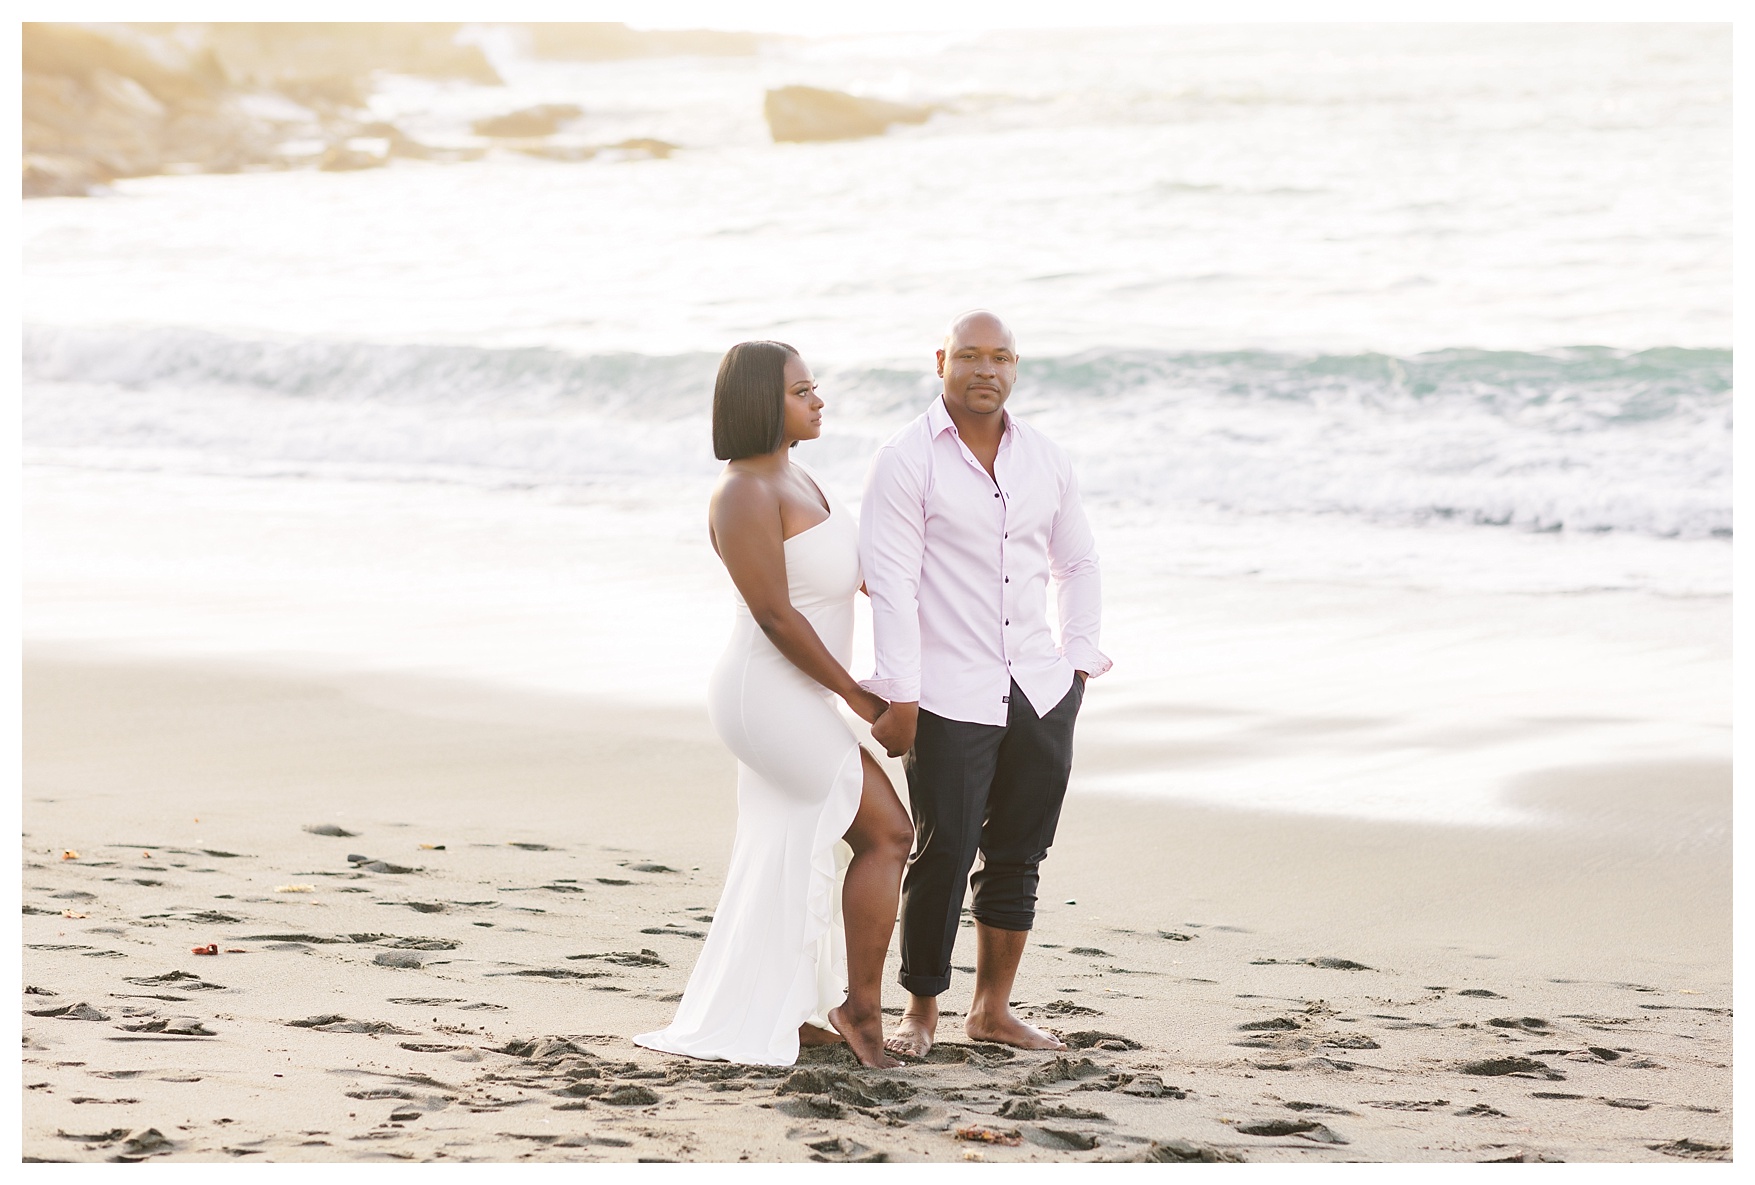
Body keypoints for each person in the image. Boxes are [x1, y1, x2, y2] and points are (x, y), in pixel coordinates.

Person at [634, 341, 914, 1069]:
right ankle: (859, 1007)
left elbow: (842, 582)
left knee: (789, 845)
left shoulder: (801, 477)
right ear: (763, 402)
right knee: (887, 832)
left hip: (799, 692)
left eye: (815, 387)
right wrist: (859, 697)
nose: (818, 400)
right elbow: (775, 615)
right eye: (802, 390)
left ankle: (789, 1007)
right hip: (764, 695)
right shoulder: (743, 493)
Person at [861, 310, 1110, 1058]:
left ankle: (992, 1011)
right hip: (946, 691)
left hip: (1038, 686)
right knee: (942, 849)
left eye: (1000, 357)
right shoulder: (906, 458)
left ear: (1015, 366)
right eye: (969, 355)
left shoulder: (1045, 457)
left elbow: (1079, 562)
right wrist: (899, 692)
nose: (985, 370)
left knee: (1018, 855)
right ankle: (921, 1011)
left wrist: (1077, 662)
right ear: (941, 361)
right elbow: (891, 582)